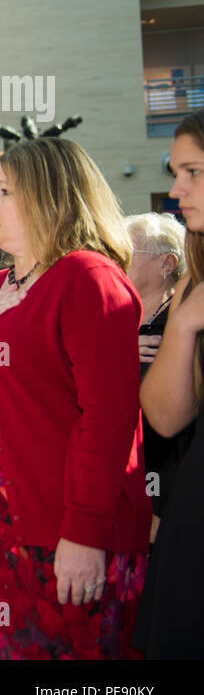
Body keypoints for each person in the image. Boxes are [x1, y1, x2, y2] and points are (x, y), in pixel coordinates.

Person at [0, 137, 150, 660]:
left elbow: (109, 420)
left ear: (50, 200)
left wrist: (84, 535)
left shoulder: (88, 278)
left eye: (3, 191)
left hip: (66, 532)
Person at [136, 111, 204, 658]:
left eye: (193, 172)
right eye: (176, 171)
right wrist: (183, 324)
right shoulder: (195, 280)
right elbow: (163, 416)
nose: (177, 189)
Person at [124, 213, 189, 540]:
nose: (116, 261)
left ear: (166, 263)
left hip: (167, 485)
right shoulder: (111, 324)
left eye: (127, 252)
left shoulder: (185, 327)